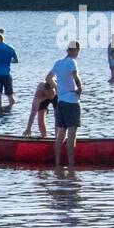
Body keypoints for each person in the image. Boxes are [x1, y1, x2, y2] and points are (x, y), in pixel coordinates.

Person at [50, 40, 83, 169]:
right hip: (72, 102)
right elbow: (75, 76)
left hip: (61, 102)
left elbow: (48, 77)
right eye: (77, 52)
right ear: (75, 51)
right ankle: (71, 164)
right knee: (71, 136)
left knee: (60, 135)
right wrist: (80, 88)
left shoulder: (58, 63)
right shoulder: (72, 62)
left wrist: (58, 88)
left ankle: (57, 163)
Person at [24, 73, 57, 137]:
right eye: (49, 95)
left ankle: (58, 138)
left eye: (52, 94)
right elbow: (33, 113)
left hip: (57, 96)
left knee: (58, 117)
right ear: (45, 91)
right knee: (40, 118)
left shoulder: (57, 89)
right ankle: (44, 137)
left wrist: (52, 95)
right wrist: (28, 128)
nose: (51, 97)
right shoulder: (39, 94)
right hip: (43, 97)